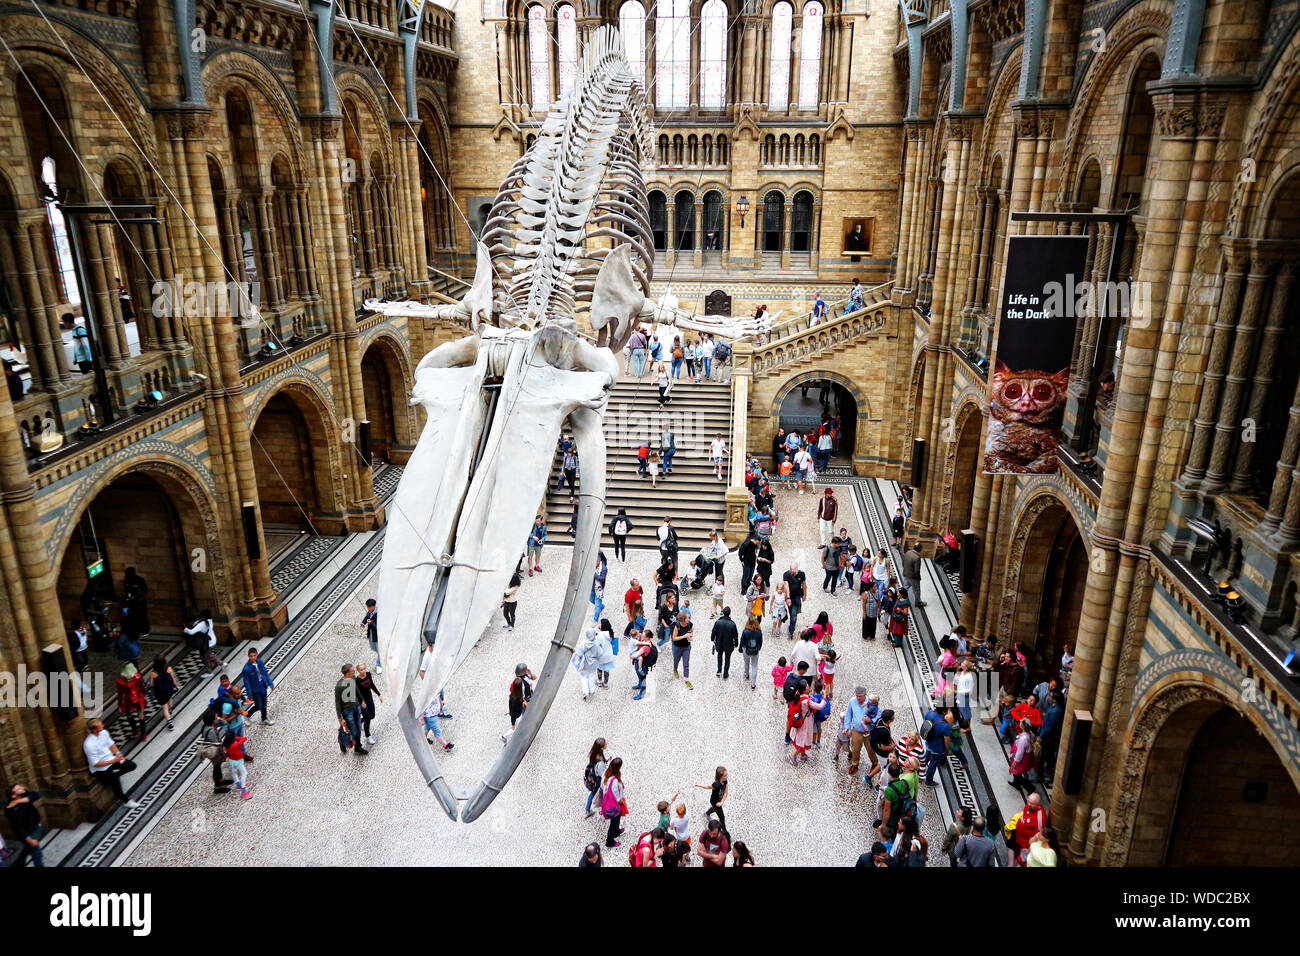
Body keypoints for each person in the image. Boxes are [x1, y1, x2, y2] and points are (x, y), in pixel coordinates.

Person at [83, 718, 139, 807]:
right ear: (94, 730)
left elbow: (111, 745)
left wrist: (119, 755)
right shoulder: (89, 744)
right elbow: (96, 763)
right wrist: (113, 760)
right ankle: (126, 801)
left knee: (131, 765)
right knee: (115, 784)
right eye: (100, 725)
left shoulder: (104, 733)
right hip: (101, 769)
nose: (103, 725)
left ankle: (114, 776)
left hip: (112, 760)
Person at [5, 784, 44, 867]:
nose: (22, 788)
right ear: (13, 795)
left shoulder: (23, 795)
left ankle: (19, 864)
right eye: (18, 789)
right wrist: (29, 840)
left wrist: (20, 799)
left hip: (36, 826)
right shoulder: (11, 810)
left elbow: (36, 795)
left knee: (27, 849)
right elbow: (18, 828)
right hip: (29, 833)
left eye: (20, 786)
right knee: (37, 854)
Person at [335, 664, 369, 755]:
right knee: (353, 731)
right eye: (353, 670)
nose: (354, 671)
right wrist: (340, 718)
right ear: (348, 673)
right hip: (347, 711)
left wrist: (362, 700)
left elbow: (356, 689)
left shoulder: (353, 678)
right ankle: (342, 742)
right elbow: (337, 703)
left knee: (358, 728)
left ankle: (358, 747)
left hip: (356, 707)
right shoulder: (339, 686)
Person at [240, 647, 276, 726]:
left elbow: (265, 673)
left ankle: (264, 718)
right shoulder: (246, 669)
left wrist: (271, 684)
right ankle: (246, 715)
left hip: (263, 685)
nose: (253, 657)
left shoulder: (260, 662)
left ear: (257, 655)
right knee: (258, 706)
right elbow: (246, 683)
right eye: (251, 656)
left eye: (254, 655)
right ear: (248, 656)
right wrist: (250, 695)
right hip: (255, 690)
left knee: (264, 704)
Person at [1013, 792, 1048, 866]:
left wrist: (1026, 853)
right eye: (1028, 801)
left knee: (1020, 861)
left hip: (1025, 846)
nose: (1028, 804)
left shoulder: (1040, 819)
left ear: (1038, 805)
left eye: (1031, 803)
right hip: (1019, 839)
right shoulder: (1030, 806)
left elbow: (1037, 838)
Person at [147, 655, 178, 730]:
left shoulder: (153, 673)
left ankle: (169, 722)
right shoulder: (169, 669)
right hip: (169, 689)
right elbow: (173, 678)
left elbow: (151, 685)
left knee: (164, 707)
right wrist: (176, 686)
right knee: (169, 698)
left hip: (160, 692)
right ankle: (170, 710)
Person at [601, 757, 626, 847]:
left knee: (616, 820)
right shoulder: (614, 780)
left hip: (607, 802)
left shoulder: (606, 775)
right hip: (614, 805)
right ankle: (610, 841)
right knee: (614, 822)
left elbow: (603, 789)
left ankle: (617, 831)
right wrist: (621, 801)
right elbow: (616, 795)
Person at [184, 609, 216, 678]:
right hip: (211, 641)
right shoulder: (209, 621)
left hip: (206, 643)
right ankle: (219, 664)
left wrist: (185, 629)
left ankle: (210, 671)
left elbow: (191, 632)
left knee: (205, 657)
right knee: (209, 655)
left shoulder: (202, 624)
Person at [711, 606, 738, 679]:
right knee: (727, 659)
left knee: (719, 656)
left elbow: (714, 632)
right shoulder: (732, 624)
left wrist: (712, 639)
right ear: (729, 613)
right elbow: (735, 636)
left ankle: (719, 670)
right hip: (728, 644)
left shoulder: (718, 622)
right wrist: (736, 644)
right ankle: (725, 673)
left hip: (719, 643)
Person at [670, 609, 694, 688]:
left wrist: (690, 636)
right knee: (676, 660)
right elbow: (674, 638)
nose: (689, 618)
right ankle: (675, 669)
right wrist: (685, 636)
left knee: (686, 663)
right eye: (688, 617)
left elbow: (691, 631)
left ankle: (687, 679)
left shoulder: (690, 624)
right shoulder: (677, 626)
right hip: (677, 647)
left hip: (687, 647)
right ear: (684, 620)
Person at [782, 562, 807, 637]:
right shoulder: (786, 574)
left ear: (796, 569)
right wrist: (788, 597)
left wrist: (805, 595)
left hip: (797, 596)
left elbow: (804, 585)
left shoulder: (801, 574)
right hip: (789, 596)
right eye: (790, 569)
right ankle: (791, 622)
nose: (790, 571)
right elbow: (786, 586)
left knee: (794, 615)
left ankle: (791, 630)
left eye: (792, 569)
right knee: (791, 612)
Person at [901, 540, 924, 607]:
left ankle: (902, 599)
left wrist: (906, 570)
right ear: (920, 549)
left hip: (906, 574)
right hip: (913, 577)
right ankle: (918, 603)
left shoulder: (908, 552)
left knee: (905, 588)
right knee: (916, 590)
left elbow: (903, 562)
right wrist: (918, 578)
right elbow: (917, 570)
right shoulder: (917, 558)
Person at [361, 598, 381, 672]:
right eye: (367, 607)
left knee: (380, 651)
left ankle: (379, 665)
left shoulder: (379, 614)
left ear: (373, 606)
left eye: (369, 607)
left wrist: (371, 623)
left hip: (377, 636)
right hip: (371, 635)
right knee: (373, 648)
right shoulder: (370, 611)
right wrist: (363, 622)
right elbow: (367, 617)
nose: (368, 609)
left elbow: (378, 627)